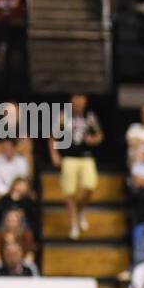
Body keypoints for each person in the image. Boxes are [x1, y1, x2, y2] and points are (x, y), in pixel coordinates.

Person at [51, 93, 103, 240]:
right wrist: (54, 154)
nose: (79, 105)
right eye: (76, 102)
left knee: (90, 186)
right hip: (69, 157)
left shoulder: (90, 117)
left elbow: (99, 135)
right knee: (70, 192)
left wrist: (93, 140)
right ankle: (74, 223)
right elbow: (52, 136)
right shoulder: (63, 116)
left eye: (81, 102)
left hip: (86, 156)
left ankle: (80, 210)